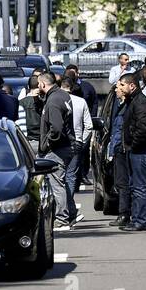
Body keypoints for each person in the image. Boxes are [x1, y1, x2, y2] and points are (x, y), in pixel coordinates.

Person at [37, 72, 77, 227]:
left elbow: (56, 129)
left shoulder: (53, 100)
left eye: (39, 84)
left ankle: (61, 218)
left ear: (42, 84)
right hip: (65, 146)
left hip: (57, 148)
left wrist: (47, 144)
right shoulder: (62, 95)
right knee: (62, 181)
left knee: (57, 184)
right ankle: (71, 213)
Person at [119, 72, 146, 231]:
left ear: (131, 86)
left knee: (140, 187)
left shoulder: (140, 102)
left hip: (140, 151)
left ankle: (141, 221)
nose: (118, 88)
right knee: (135, 186)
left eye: (122, 85)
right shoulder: (132, 100)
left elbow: (142, 129)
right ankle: (136, 219)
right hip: (135, 150)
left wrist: (133, 146)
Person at [60, 77, 92, 226]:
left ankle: (66, 209)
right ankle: (69, 208)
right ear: (72, 88)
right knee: (71, 176)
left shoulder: (56, 100)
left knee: (58, 178)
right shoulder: (81, 101)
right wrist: (83, 142)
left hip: (59, 144)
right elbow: (89, 125)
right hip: (76, 143)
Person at [106, 76, 132, 227]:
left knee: (124, 183)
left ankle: (125, 214)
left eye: (119, 86)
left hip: (124, 148)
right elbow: (113, 129)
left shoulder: (129, 105)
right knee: (120, 182)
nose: (117, 89)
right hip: (118, 148)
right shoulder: (119, 103)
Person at [20, 72, 43, 143]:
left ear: (28, 87)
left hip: (27, 141)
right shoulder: (43, 102)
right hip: (41, 140)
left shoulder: (21, 103)